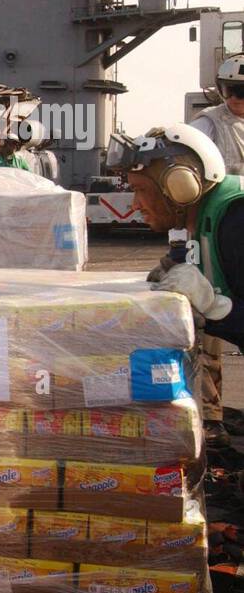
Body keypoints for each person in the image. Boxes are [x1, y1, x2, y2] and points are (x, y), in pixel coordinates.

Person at [108, 123, 244, 458]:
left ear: (180, 185)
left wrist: (213, 306)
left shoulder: (237, 220)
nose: (136, 204)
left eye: (141, 190)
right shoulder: (205, 220)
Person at [188, 54, 244, 438]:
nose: (240, 99)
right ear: (222, 90)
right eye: (234, 92)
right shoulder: (206, 125)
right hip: (217, 230)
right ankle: (210, 417)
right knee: (209, 324)